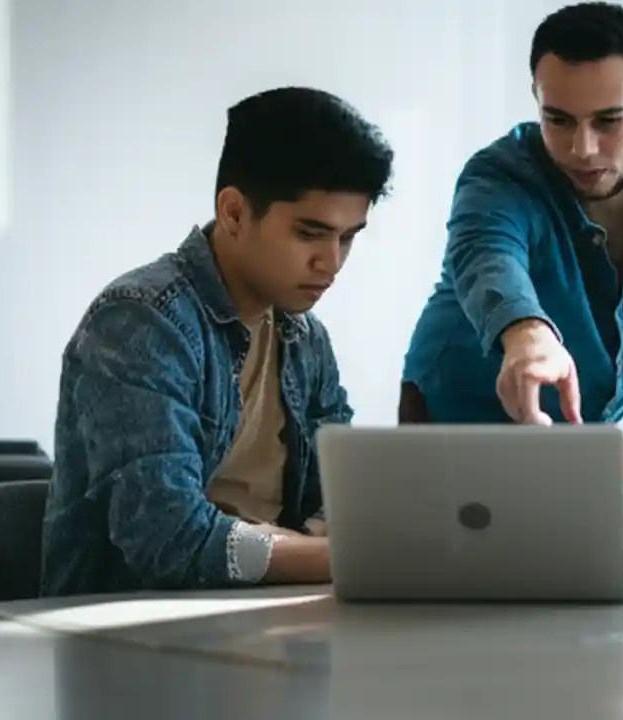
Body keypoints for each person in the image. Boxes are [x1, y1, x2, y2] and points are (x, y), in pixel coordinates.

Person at [40, 87, 394, 596]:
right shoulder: (140, 323)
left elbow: (340, 494)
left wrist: (331, 540)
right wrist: (341, 555)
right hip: (131, 636)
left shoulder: (304, 337)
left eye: (348, 237)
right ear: (232, 212)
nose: (332, 262)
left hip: (265, 622)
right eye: (309, 233)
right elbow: (167, 538)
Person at [400, 2, 623, 517]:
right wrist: (527, 334)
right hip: (464, 430)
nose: (583, 148)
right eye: (557, 120)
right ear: (536, 100)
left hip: (613, 448)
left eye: (608, 121)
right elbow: (487, 256)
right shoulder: (496, 175)